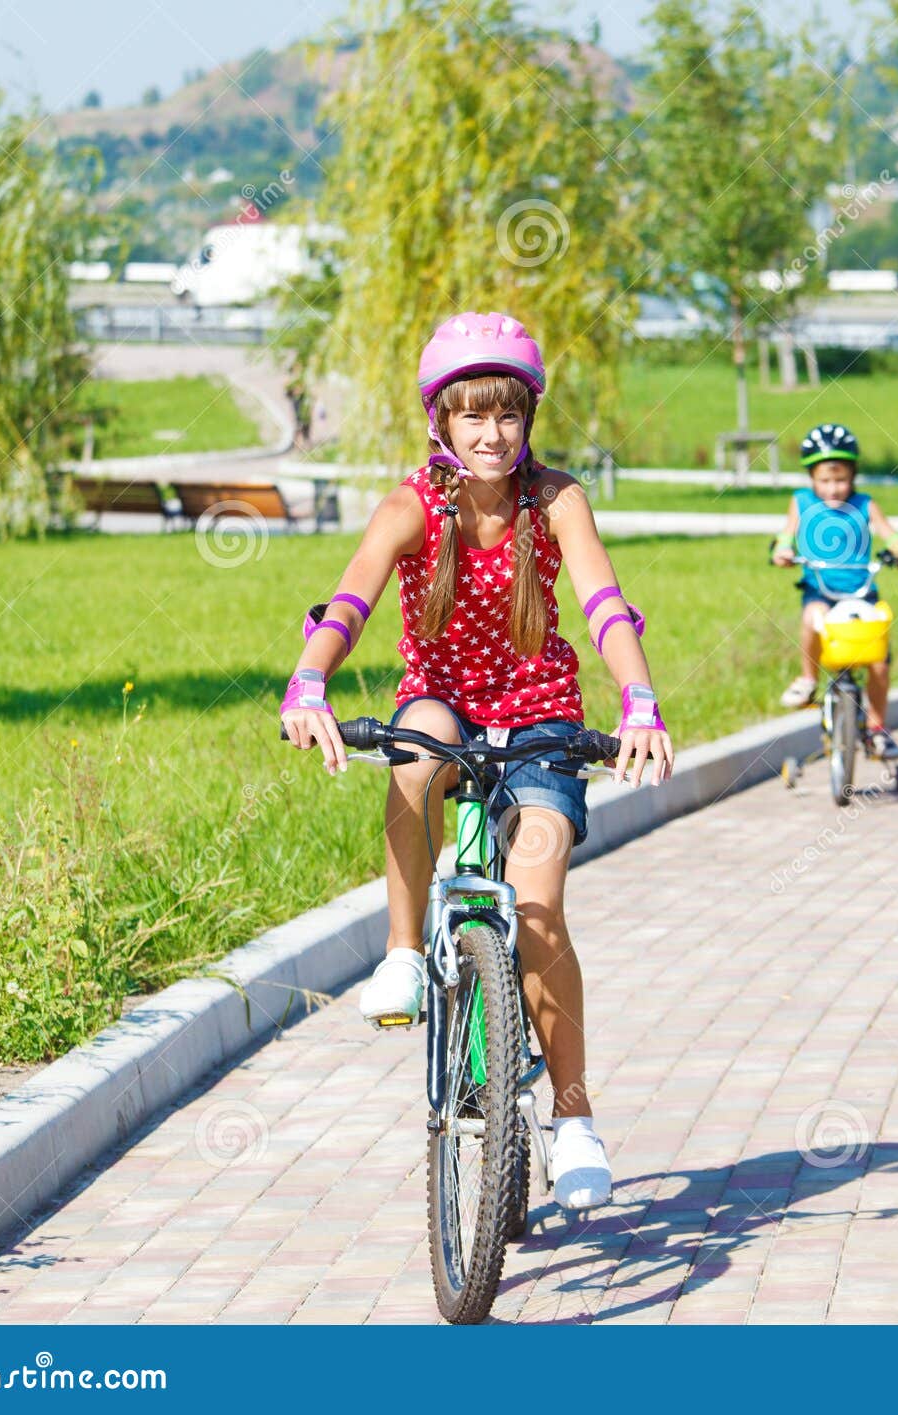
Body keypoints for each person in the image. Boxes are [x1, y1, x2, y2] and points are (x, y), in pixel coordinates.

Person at [280, 311, 673, 1211]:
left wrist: (639, 700)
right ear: (440, 423)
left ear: (529, 420)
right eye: (471, 416)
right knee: (411, 756)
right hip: (446, 707)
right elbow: (347, 604)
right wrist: (309, 683)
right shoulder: (413, 505)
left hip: (541, 717)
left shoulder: (558, 502)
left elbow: (608, 605)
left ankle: (574, 1118)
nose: (491, 434)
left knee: (537, 904)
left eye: (507, 415)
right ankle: (406, 952)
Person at [771, 422, 898, 760]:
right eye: (824, 480)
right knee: (812, 618)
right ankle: (808, 679)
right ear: (811, 478)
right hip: (820, 591)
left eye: (840, 480)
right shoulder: (802, 502)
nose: (833, 488)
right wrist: (781, 551)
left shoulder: (865, 504)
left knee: (879, 662)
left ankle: (878, 729)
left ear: (853, 476)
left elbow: (889, 534)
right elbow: (786, 535)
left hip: (861, 593)